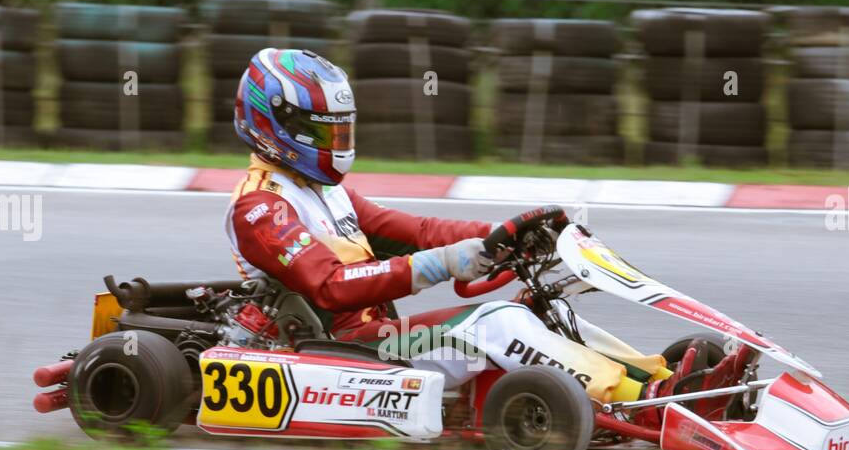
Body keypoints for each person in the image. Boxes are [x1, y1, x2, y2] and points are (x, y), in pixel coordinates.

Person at [222, 47, 668, 403]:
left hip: (377, 340)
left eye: (341, 132)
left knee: (542, 311)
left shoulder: (325, 191)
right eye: (324, 133)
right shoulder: (261, 207)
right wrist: (441, 264)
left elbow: (415, 230)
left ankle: (659, 380)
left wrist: (501, 234)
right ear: (274, 125)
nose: (336, 145)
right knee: (499, 322)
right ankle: (636, 402)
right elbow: (331, 286)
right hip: (339, 353)